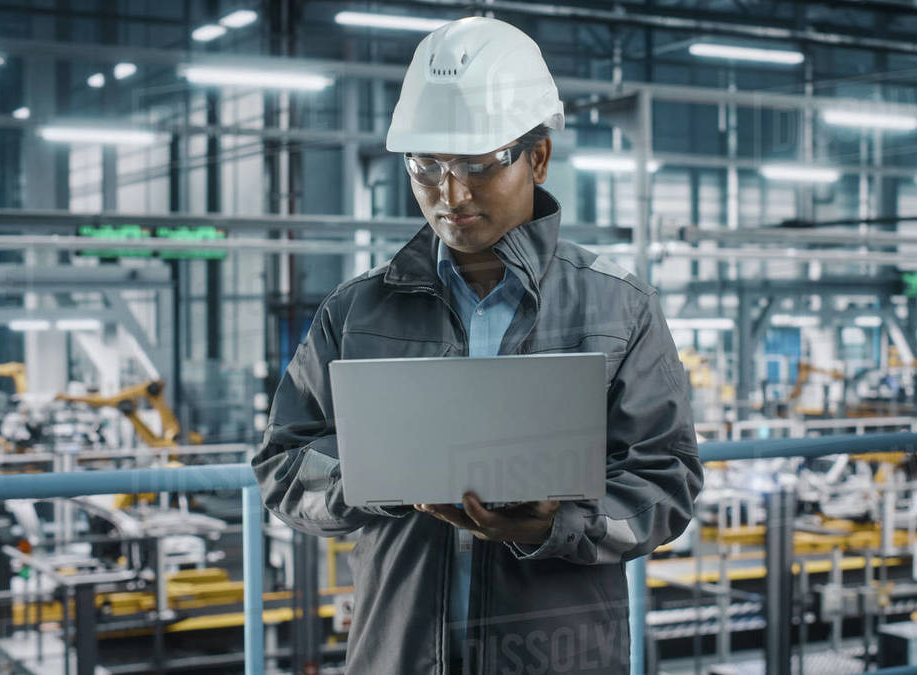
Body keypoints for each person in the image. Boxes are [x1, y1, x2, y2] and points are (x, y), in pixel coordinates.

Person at [252, 16, 702, 674]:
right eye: (427, 167)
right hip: (397, 655)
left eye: (478, 165)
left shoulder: (619, 309)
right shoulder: (356, 312)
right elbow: (282, 469)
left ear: (537, 157)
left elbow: (667, 486)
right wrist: (374, 478)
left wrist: (555, 526)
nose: (451, 194)